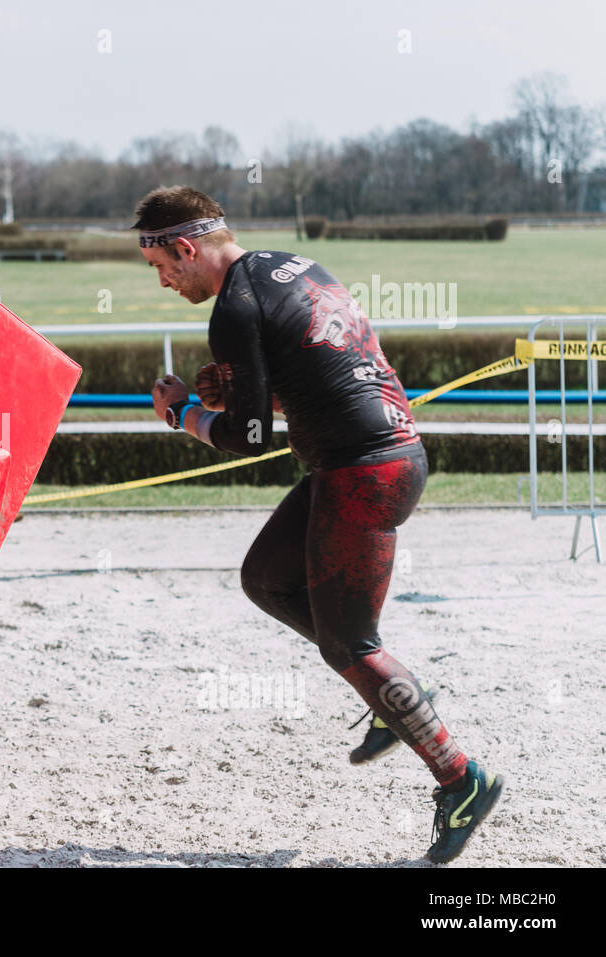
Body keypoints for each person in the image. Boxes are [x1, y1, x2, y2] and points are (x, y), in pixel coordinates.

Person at [140, 185, 502, 864]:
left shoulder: (233, 307)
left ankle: (461, 778)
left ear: (186, 247)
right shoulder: (296, 268)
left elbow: (249, 439)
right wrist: (251, 388)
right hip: (383, 455)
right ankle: (388, 691)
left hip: (360, 472)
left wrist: (181, 411)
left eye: (163, 267)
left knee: (350, 643)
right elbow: (320, 374)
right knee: (266, 577)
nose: (164, 282)